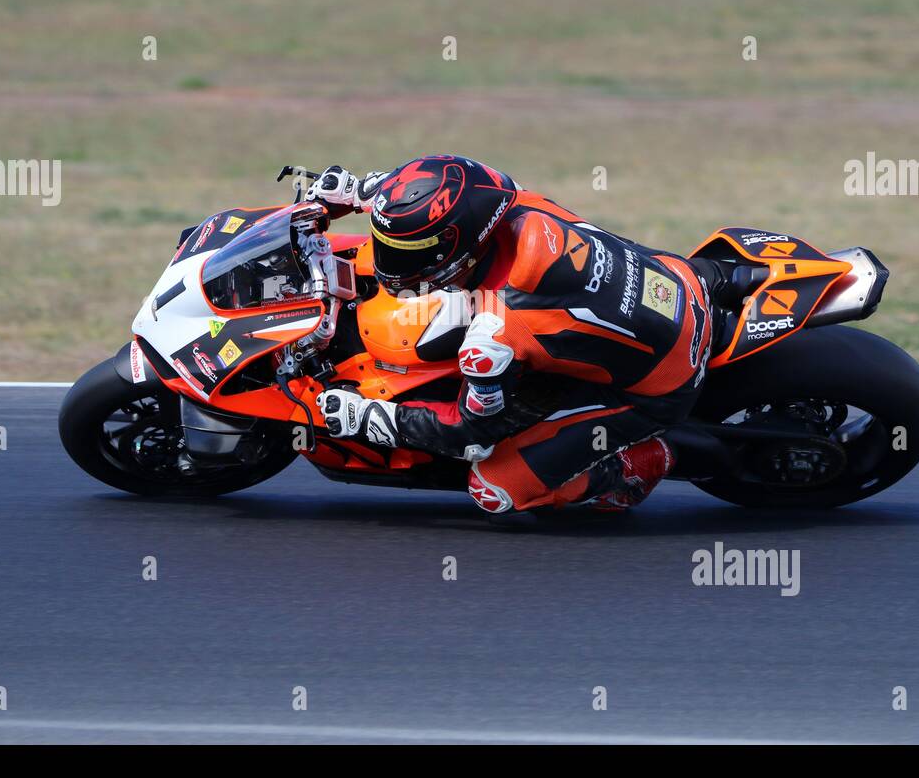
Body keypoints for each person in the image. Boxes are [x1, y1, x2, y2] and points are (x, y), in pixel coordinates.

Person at [307, 154, 720, 521]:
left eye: (405, 251)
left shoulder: (494, 334)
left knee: (495, 489)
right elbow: (445, 189)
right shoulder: (513, 201)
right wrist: (363, 191)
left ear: (454, 245)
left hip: (663, 383)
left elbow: (468, 433)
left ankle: (637, 464)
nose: (391, 260)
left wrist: (374, 418)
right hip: (679, 278)